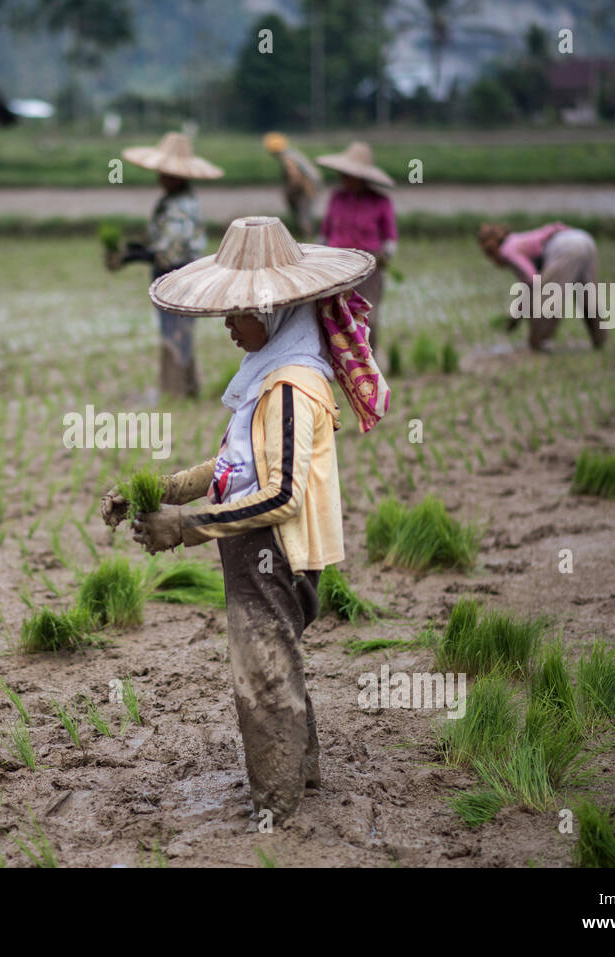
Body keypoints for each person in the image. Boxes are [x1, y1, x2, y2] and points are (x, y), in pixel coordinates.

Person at [101, 216, 388, 827]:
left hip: (272, 551)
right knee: (276, 660)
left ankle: (276, 806)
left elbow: (281, 495)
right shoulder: (269, 379)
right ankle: (302, 775)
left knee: (261, 674)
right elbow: (236, 464)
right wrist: (156, 489)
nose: (227, 325)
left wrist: (183, 526)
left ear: (276, 311)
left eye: (237, 312)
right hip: (262, 549)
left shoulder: (288, 387)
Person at [107, 131, 223, 399]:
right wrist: (136, 250)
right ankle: (183, 387)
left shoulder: (179, 207)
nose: (160, 176)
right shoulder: (172, 200)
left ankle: (177, 391)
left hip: (178, 276)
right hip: (175, 273)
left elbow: (169, 252)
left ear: (179, 175)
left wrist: (132, 256)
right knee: (176, 331)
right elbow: (161, 243)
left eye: (165, 172)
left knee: (176, 332)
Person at [316, 141, 397, 353]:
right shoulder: (337, 198)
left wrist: (384, 257)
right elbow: (324, 233)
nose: (343, 178)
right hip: (337, 266)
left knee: (369, 319)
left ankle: (368, 366)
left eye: (348, 174)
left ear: (361, 177)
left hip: (368, 268)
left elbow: (390, 239)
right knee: (333, 317)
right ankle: (336, 364)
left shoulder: (381, 202)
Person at [478, 222, 607, 351]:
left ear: (492, 250)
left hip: (564, 248)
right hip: (583, 239)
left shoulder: (507, 251)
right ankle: (599, 341)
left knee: (543, 303)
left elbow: (532, 280)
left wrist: (516, 315)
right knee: (587, 295)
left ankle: (538, 343)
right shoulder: (517, 239)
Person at [263, 132, 321, 239]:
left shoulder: (287, 158)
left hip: (304, 189)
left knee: (303, 215)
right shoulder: (292, 153)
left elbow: (294, 176)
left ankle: (307, 238)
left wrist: (290, 192)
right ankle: (309, 236)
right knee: (306, 214)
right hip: (310, 186)